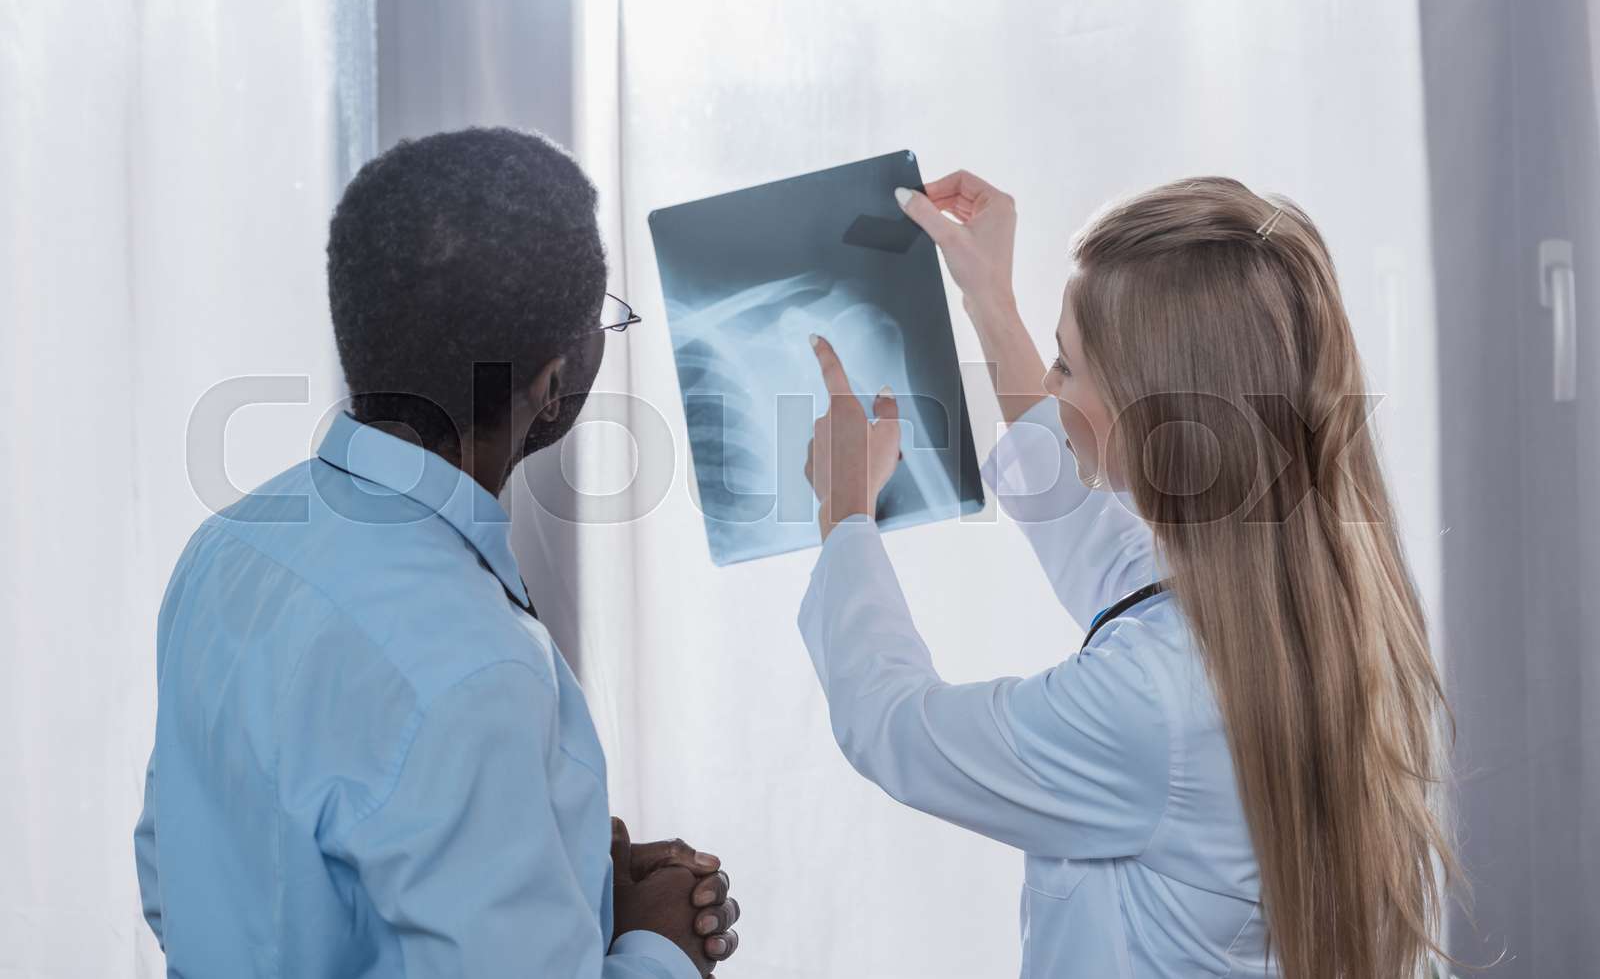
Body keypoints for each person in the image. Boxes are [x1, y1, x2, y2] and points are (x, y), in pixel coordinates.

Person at [800, 171, 1458, 978]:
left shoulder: (1152, 703)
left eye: (1066, 366)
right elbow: (1088, 538)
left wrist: (845, 518)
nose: (1046, 385)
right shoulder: (1309, 599)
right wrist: (986, 299)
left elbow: (897, 730)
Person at [134, 127, 741, 977]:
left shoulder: (228, 548)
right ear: (550, 381)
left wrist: (557, 868)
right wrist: (656, 945)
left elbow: (184, 886)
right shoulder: (474, 673)